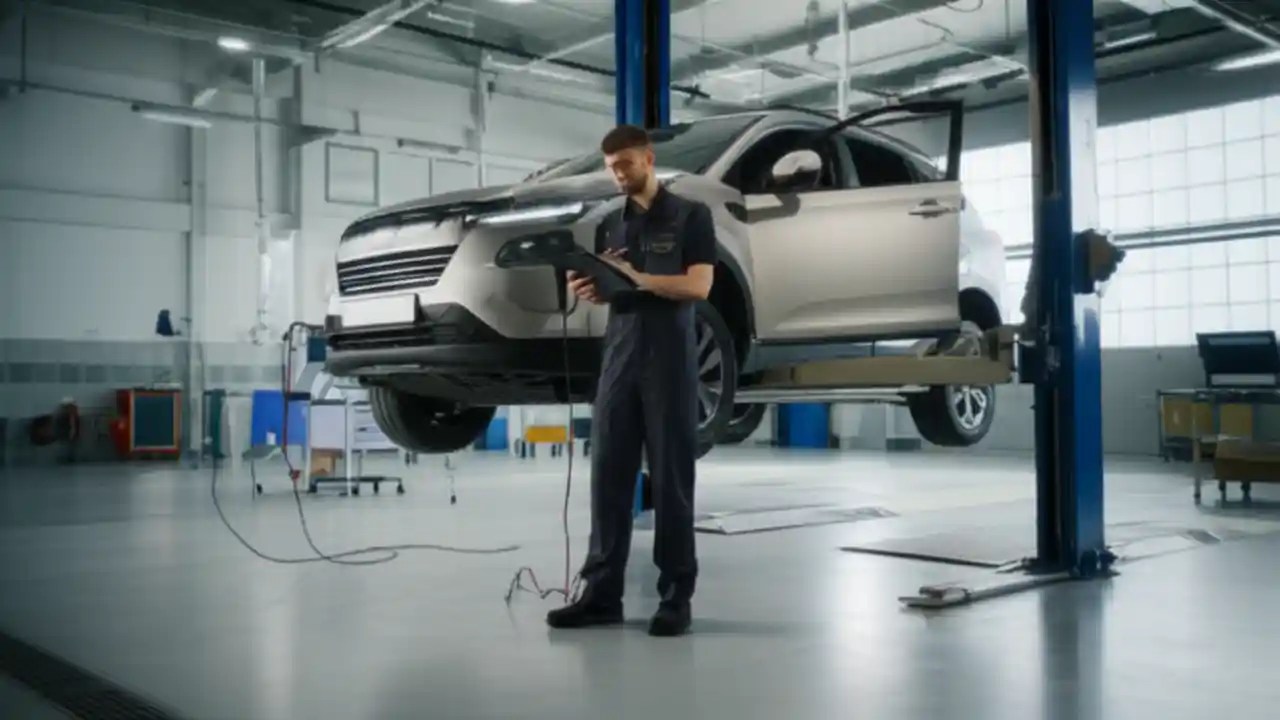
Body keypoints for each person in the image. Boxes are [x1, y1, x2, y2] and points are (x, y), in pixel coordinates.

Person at [545, 124, 717, 637]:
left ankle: (675, 597)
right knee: (608, 478)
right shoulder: (609, 227)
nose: (618, 175)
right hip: (618, 358)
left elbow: (699, 285)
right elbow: (614, 290)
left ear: (647, 158)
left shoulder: (691, 215)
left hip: (669, 359)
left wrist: (639, 279)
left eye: (625, 165)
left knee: (671, 481)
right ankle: (601, 594)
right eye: (611, 168)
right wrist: (592, 286)